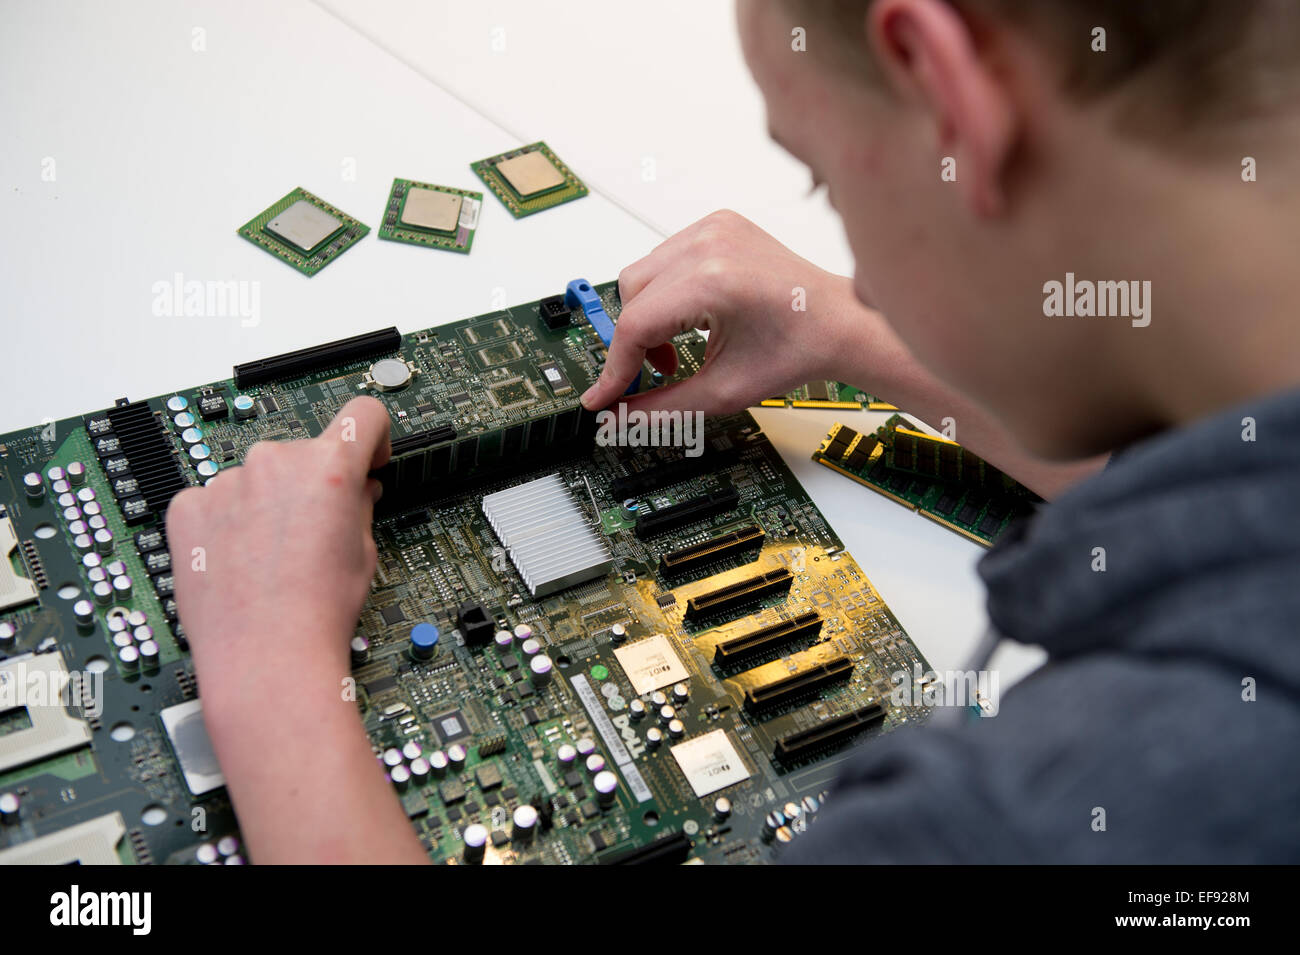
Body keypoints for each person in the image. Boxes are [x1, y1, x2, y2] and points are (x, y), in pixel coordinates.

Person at [167, 0, 1300, 863]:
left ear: (945, 92)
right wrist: (858, 331)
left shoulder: (1039, 818)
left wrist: (270, 675)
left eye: (818, 176)